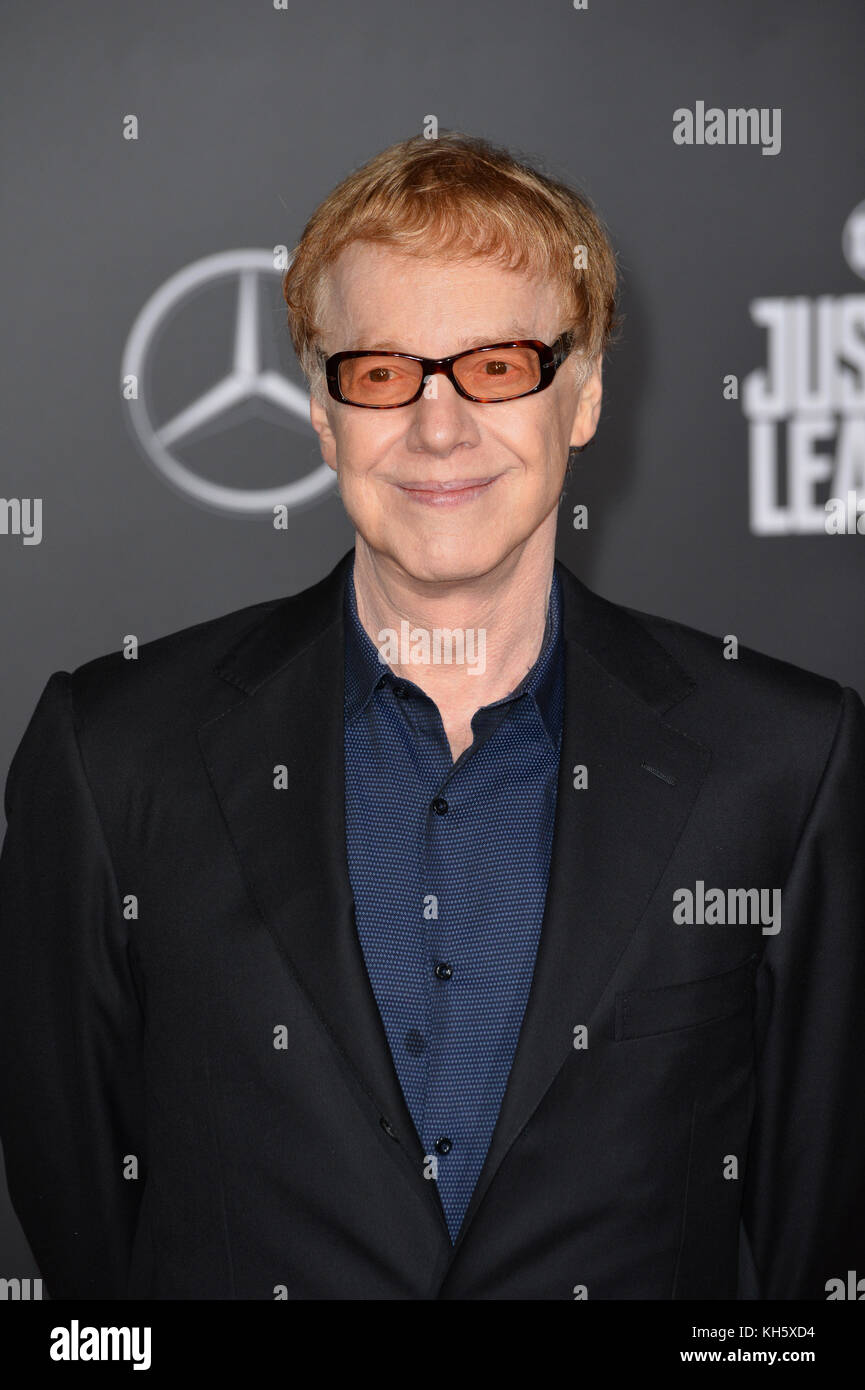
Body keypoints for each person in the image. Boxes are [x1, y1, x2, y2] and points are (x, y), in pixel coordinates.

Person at [0, 132, 862, 1300]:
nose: (439, 425)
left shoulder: (784, 763)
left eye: (498, 366)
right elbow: (82, 1219)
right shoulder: (112, 753)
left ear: (587, 393)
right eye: (382, 372)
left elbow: (820, 1244)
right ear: (321, 411)